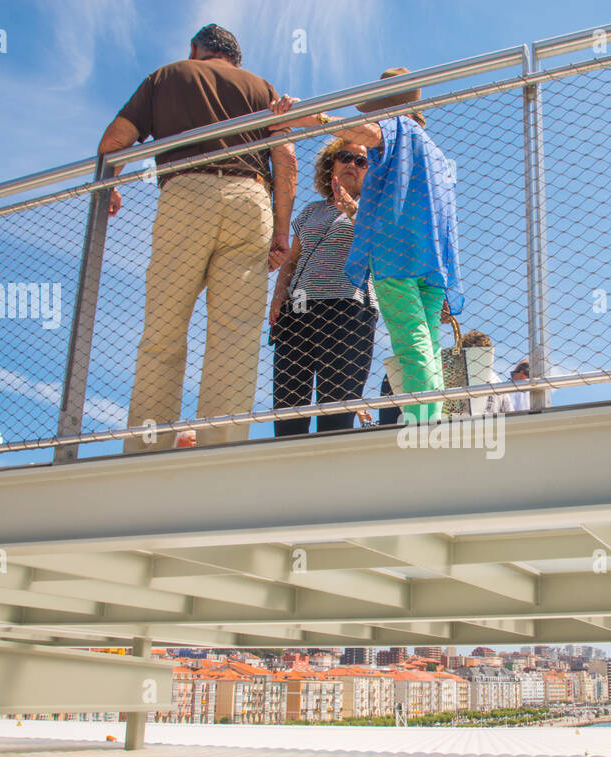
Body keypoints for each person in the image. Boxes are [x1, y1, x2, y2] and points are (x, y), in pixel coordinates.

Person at [97, 23, 297, 452]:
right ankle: (218, 453)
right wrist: (281, 230)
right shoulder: (263, 88)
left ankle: (146, 449)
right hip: (251, 198)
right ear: (233, 59)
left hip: (186, 193)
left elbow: (115, 140)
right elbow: (285, 157)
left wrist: (110, 182)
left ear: (195, 50)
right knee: (236, 337)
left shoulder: (168, 76)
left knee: (163, 332)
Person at [271, 67, 462, 424]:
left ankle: (423, 420)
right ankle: (434, 413)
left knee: (410, 340)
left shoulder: (395, 128)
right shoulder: (434, 154)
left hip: (395, 255)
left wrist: (312, 117)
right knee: (429, 341)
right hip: (432, 259)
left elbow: (366, 131)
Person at [268, 139, 377, 435]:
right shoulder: (310, 211)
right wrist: (278, 299)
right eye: (345, 157)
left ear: (371, 171)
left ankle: (332, 474)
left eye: (361, 161)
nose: (352, 164)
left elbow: (382, 249)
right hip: (299, 309)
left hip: (348, 309)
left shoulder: (374, 210)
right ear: (332, 164)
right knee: (289, 407)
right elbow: (292, 260)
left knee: (337, 408)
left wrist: (353, 210)